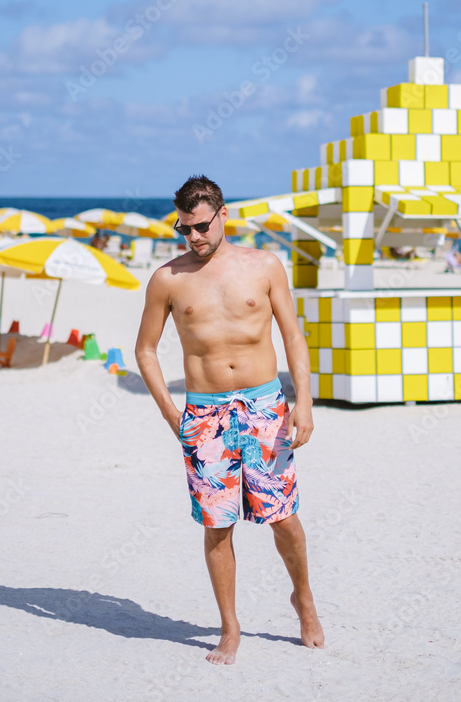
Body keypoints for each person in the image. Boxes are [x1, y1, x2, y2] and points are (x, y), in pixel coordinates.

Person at [135, 175, 324, 665]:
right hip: (204, 414)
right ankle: (230, 626)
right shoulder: (168, 279)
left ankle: (302, 598)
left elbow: (293, 337)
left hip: (265, 406)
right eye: (183, 229)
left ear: (222, 215)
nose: (193, 237)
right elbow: (146, 349)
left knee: (283, 519)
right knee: (217, 525)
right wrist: (170, 411)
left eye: (200, 226)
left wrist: (303, 401)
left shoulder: (263, 266)